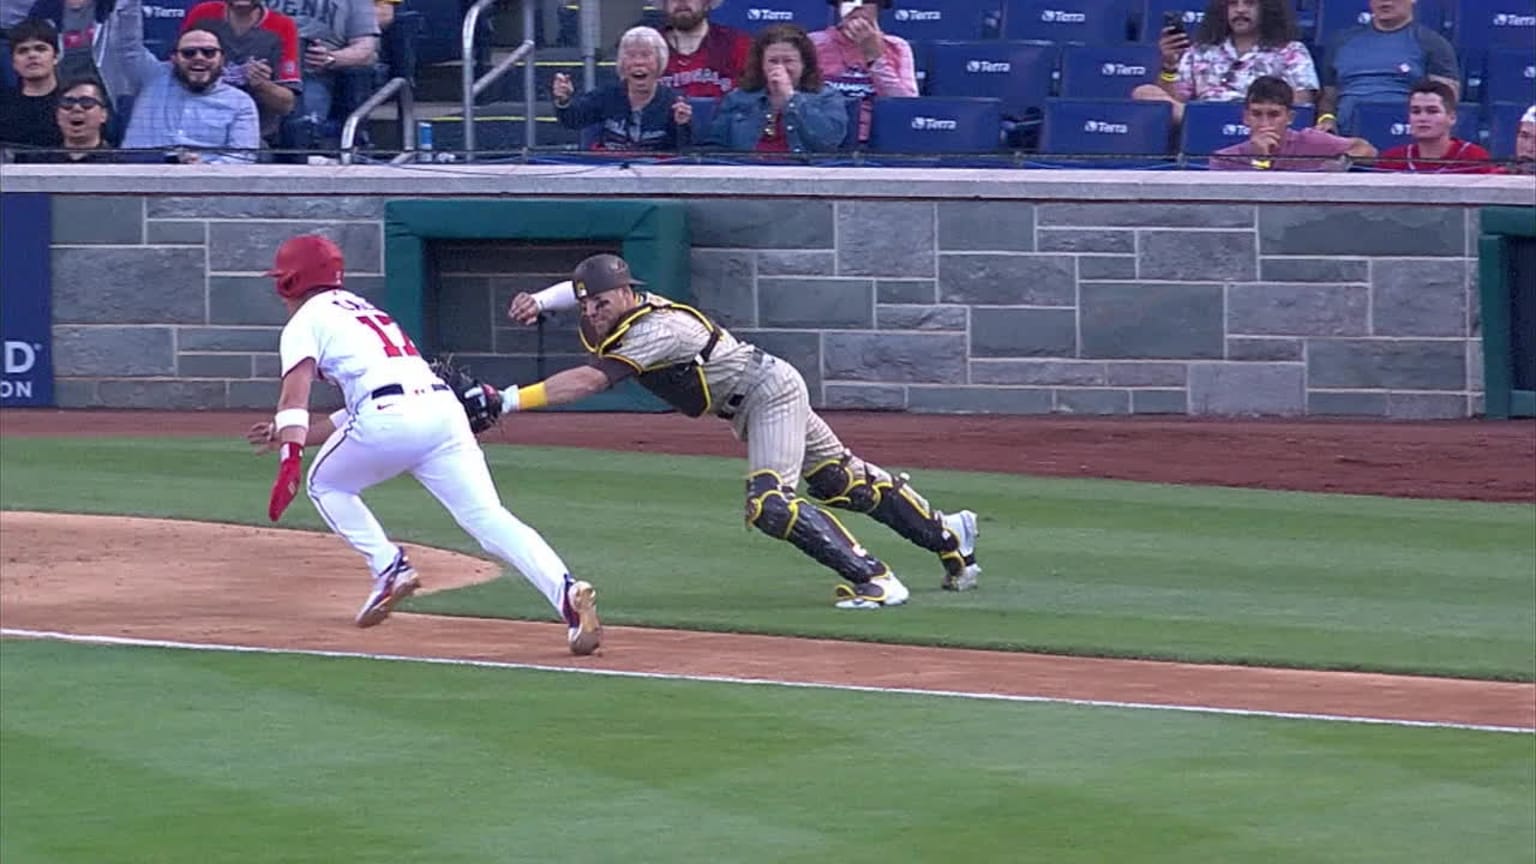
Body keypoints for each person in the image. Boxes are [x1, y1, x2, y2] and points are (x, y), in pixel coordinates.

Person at [499, 254, 982, 609]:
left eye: (600, 303)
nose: (591, 313)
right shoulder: (607, 306)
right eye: (586, 305)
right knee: (840, 479)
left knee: (770, 504)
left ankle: (875, 580)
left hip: (766, 392)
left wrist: (507, 399)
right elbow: (577, 289)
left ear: (627, 293)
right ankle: (951, 535)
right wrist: (539, 301)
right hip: (754, 396)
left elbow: (590, 381)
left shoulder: (657, 330)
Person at [247, 234, 603, 655]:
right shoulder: (366, 311)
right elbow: (357, 410)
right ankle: (566, 592)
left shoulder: (304, 321)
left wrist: (291, 454)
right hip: (441, 413)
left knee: (326, 485)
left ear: (289, 283)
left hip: (389, 415)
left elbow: (295, 397)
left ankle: (388, 566)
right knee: (488, 517)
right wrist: (292, 434)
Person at [1132, 0, 1317, 127]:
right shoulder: (1200, 51)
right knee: (1144, 92)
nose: (1240, 10)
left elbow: (1302, 105)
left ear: (1267, 10)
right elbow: (1176, 102)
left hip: (1260, 125)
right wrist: (1168, 67)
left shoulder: (1291, 51)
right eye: (1233, 3)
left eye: (1249, 3)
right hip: (1204, 123)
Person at [119, 22, 261, 162]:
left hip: (205, 181)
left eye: (209, 53)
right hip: (139, 176)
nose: (199, 57)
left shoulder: (240, 102)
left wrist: (205, 169)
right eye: (188, 53)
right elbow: (128, 45)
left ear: (222, 59)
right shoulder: (151, 76)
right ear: (173, 58)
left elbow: (244, 156)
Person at [1314, 0, 1457, 137]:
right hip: (1346, 136)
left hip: (1403, 133)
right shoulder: (1341, 42)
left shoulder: (1433, 43)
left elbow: (1446, 99)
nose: (1385, 1)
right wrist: (1326, 119)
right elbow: (1328, 96)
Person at [705, 23, 847, 153]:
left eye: (788, 61)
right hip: (747, 173)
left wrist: (791, 98)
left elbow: (829, 143)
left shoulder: (827, 97)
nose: (780, 68)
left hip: (804, 175)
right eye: (773, 61)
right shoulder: (737, 98)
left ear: (804, 64)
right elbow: (716, 148)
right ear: (761, 64)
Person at [180, 0, 301, 145]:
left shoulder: (282, 26)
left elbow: (286, 105)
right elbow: (177, 66)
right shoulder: (203, 14)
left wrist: (262, 85)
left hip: (255, 132)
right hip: (197, 125)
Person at [552, 25, 692, 151]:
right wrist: (564, 101)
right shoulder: (606, 95)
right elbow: (573, 120)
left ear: (660, 61)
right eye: (631, 55)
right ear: (622, 63)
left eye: (646, 55)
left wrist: (682, 125)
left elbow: (682, 152)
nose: (638, 62)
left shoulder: (674, 101)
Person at [1210, 75, 1374, 170]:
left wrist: (1341, 162)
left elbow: (1367, 150)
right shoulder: (1224, 159)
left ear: (1290, 117)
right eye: (1256, 114)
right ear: (1245, 117)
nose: (1264, 123)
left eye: (1274, 114)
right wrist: (1260, 159)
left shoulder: (1311, 140)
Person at [809, 0, 915, 145]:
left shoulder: (897, 46)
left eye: (866, 1)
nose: (857, 6)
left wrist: (874, 58)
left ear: (879, 6)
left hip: (881, 142)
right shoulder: (813, 44)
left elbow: (907, 106)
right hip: (824, 140)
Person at [1372, 78, 1494, 174]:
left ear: (1452, 118)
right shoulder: (1392, 160)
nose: (1422, 118)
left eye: (1432, 111)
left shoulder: (1473, 158)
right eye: (1416, 111)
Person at [655, 0, 748, 99]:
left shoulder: (737, 44)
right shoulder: (649, 47)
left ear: (707, 3)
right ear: (664, 4)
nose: (681, 2)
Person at [13, 73, 119, 160]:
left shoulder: (120, 164)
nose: (76, 108)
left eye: (86, 102)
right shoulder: (37, 163)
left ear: (104, 115)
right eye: (67, 103)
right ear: (57, 115)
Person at [0, 18, 62, 152]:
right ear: (13, 63)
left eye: (40, 49)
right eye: (23, 51)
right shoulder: (3, 105)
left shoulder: (73, 102)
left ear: (56, 56)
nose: (32, 55)